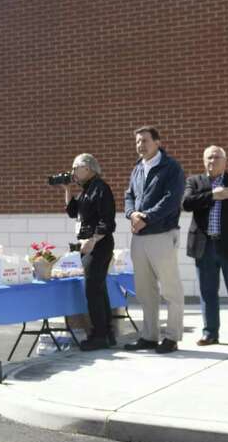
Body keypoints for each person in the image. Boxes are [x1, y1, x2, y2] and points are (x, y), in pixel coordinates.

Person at [183, 147, 228, 347]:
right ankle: (210, 333)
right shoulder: (195, 182)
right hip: (203, 247)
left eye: (216, 157)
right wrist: (213, 195)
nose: (212, 160)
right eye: (208, 157)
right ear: (203, 160)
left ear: (225, 160)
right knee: (207, 292)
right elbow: (186, 203)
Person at [123, 126, 186, 354]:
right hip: (139, 237)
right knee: (144, 290)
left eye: (145, 141)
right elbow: (129, 195)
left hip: (162, 234)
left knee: (170, 289)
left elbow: (172, 199)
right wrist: (132, 214)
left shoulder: (171, 168)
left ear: (157, 142)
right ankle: (149, 336)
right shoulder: (137, 168)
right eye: (138, 141)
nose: (140, 145)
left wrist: (146, 217)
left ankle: (172, 337)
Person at [62, 153, 117, 351]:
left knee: (92, 288)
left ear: (89, 168)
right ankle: (106, 332)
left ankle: (99, 335)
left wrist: (93, 240)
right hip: (89, 244)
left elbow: (108, 221)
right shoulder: (86, 190)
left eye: (76, 168)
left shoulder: (100, 188)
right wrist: (68, 188)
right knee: (98, 287)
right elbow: (71, 212)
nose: (73, 171)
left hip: (98, 245)